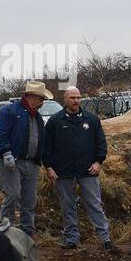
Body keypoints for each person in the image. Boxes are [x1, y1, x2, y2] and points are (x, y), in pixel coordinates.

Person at [42, 86, 114, 252]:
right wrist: (49, 166)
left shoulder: (92, 119)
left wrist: (99, 162)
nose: (76, 101)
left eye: (78, 97)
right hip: (63, 170)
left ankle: (105, 239)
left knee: (94, 203)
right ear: (65, 99)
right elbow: (46, 147)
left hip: (87, 169)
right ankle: (71, 238)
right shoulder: (55, 121)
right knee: (68, 205)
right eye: (72, 98)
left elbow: (101, 144)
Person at [0, 80, 53, 236]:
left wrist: (46, 164)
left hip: (32, 163)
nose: (42, 103)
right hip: (12, 161)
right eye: (41, 99)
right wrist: (6, 154)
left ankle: (27, 232)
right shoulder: (9, 112)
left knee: (30, 200)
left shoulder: (37, 117)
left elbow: (41, 142)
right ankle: (4, 232)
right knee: (12, 195)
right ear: (31, 96)